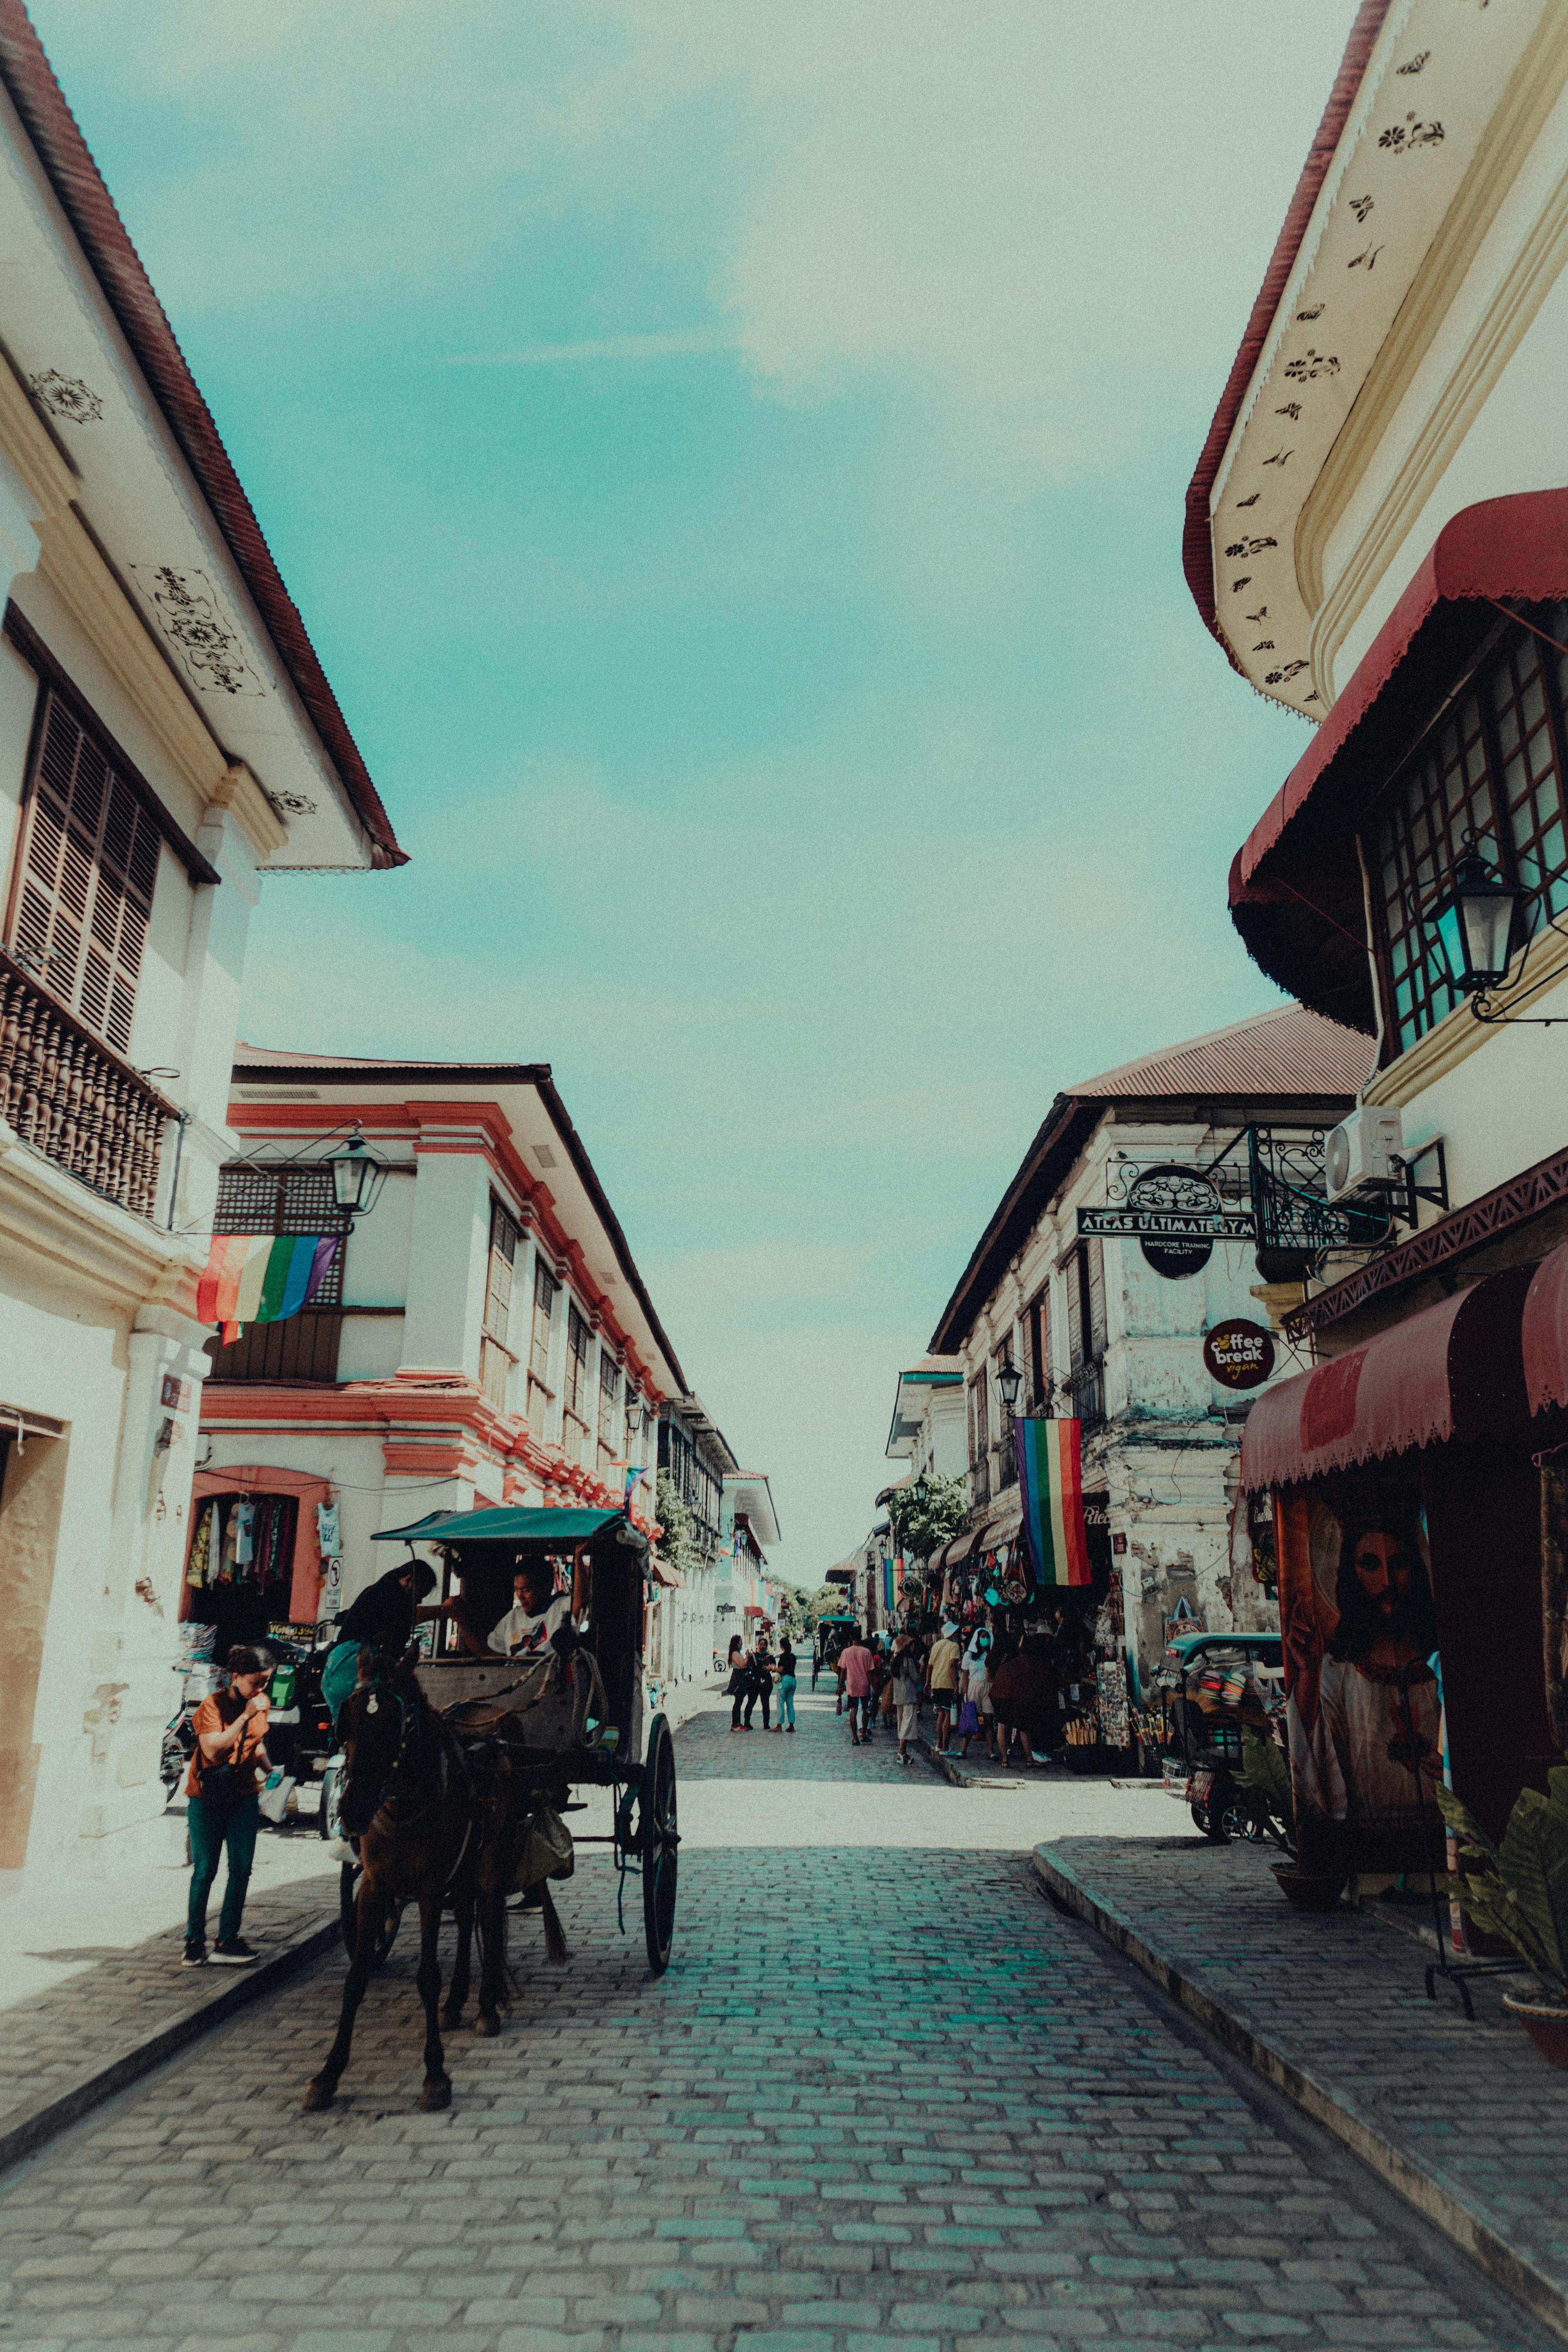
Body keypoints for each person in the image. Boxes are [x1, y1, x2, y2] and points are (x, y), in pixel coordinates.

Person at [1298, 1511, 1441, 1857]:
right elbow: (1318, 1761)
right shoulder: (1339, 1671)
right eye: (1371, 1565)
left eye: (1399, 1564)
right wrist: (1307, 1675)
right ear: (1352, 1573)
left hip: (1445, 1839)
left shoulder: (1442, 1662)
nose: (1387, 1580)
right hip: (1371, 1845)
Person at [184, 1645, 274, 1968]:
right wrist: (246, 1716)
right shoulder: (212, 1706)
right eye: (256, 1682)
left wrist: (270, 1769)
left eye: (266, 1682)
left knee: (241, 1870)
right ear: (236, 1677)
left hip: (244, 1795)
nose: (262, 1689)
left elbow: (257, 1739)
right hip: (208, 1795)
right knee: (205, 1871)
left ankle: (227, 1940)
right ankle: (194, 1942)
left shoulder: (259, 1704)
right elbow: (213, 1750)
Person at [320, 1560, 444, 1729]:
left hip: (333, 1669)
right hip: (352, 1666)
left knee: (345, 1729)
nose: (420, 1601)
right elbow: (393, 1646)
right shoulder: (397, 1599)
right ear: (409, 1580)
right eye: (420, 1594)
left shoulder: (377, 1589)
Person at [488, 1559, 572, 1657]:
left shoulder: (561, 1606)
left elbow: (580, 1602)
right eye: (517, 1589)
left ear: (547, 1588)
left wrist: (578, 1558)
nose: (520, 1596)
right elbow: (491, 1651)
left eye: (527, 1590)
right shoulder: (514, 1616)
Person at [926, 1620, 962, 1754]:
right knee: (947, 1713)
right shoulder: (954, 1646)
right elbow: (952, 1665)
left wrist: (928, 1682)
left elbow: (930, 1667)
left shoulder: (936, 1646)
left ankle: (938, 1745)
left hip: (936, 1682)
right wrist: (956, 1685)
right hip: (947, 1683)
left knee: (941, 1713)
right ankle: (945, 1748)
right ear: (953, 1633)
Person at [890, 1633, 924, 1766]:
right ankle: (901, 1752)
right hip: (909, 1695)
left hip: (899, 1696)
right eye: (912, 1644)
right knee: (907, 1724)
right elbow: (916, 1678)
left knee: (902, 1723)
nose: (914, 1646)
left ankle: (903, 1753)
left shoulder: (896, 1660)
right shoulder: (908, 1660)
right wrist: (921, 1669)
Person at [838, 1632, 876, 1746]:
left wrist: (840, 1686)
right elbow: (870, 1672)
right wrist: (873, 1686)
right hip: (864, 1684)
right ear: (861, 1638)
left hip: (852, 1684)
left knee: (853, 1710)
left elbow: (843, 1671)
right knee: (865, 1710)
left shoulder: (846, 1652)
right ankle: (864, 1734)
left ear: (851, 1639)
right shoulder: (867, 1652)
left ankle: (855, 1738)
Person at [744, 1637, 773, 1731]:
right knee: (751, 1702)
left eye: (764, 1645)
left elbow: (773, 1666)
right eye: (761, 1644)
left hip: (766, 1683)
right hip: (754, 1683)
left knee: (765, 1703)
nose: (762, 1646)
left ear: (767, 1646)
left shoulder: (769, 1657)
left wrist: (769, 1667)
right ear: (758, 1645)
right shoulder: (754, 1656)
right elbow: (748, 1666)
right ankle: (747, 1723)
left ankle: (766, 1724)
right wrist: (748, 1657)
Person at [772, 1637, 798, 1733]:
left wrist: (772, 1668)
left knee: (781, 1703)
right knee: (790, 1703)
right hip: (793, 1681)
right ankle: (792, 1725)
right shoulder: (793, 1656)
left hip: (785, 1681)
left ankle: (779, 1726)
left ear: (782, 1646)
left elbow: (781, 1670)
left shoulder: (783, 1656)